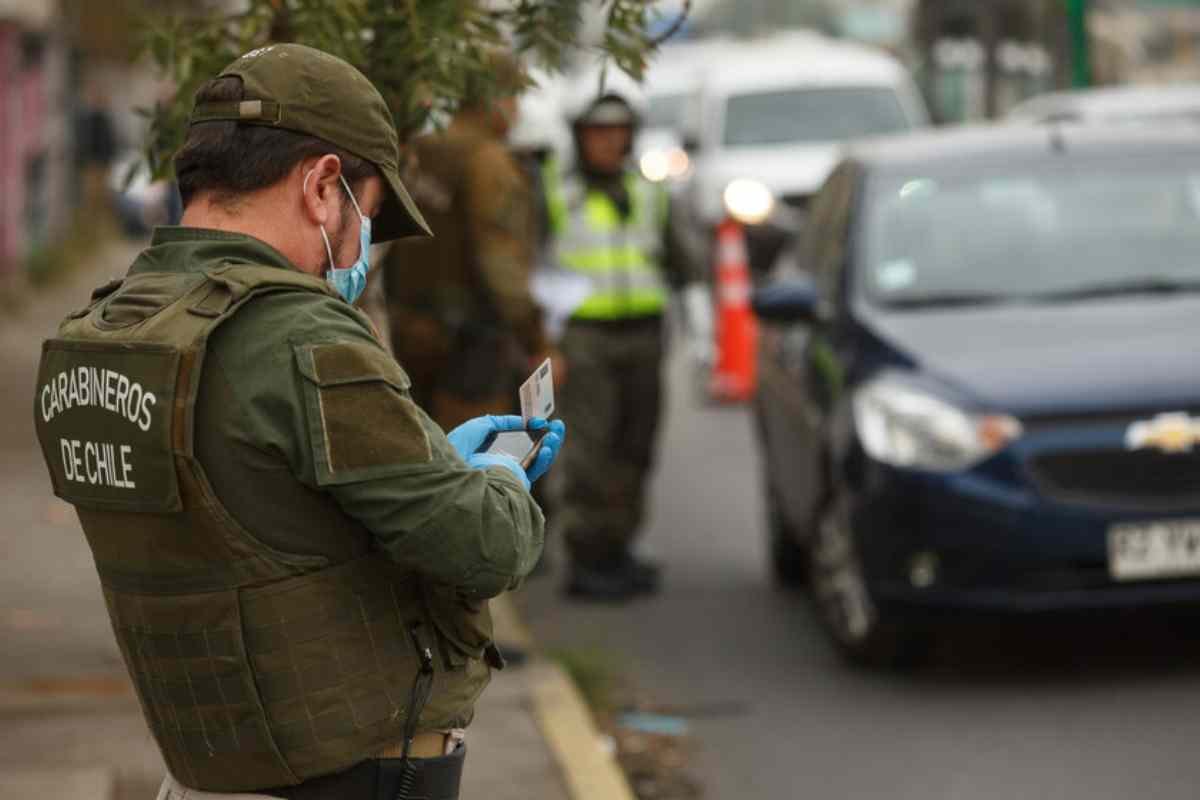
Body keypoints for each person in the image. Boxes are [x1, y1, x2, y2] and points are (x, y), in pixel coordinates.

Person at [32, 44, 563, 800]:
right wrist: (501, 479)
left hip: (204, 765)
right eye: (366, 220)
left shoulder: (105, 332)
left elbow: (263, 501)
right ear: (322, 185)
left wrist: (423, 462)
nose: (358, 254)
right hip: (351, 769)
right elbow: (486, 545)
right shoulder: (303, 339)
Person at [545, 74, 702, 602]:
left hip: (645, 335)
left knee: (636, 448)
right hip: (585, 339)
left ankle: (618, 548)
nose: (610, 141)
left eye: (619, 131)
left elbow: (685, 258)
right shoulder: (552, 191)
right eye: (598, 131)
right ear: (580, 135)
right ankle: (588, 558)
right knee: (590, 451)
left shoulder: (647, 192)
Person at [383, 51, 558, 432]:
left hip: (407, 336)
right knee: (472, 466)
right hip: (469, 351)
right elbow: (503, 266)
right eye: (513, 98)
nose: (516, 112)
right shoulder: (488, 161)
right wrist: (538, 342)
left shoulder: (418, 152)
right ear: (493, 97)